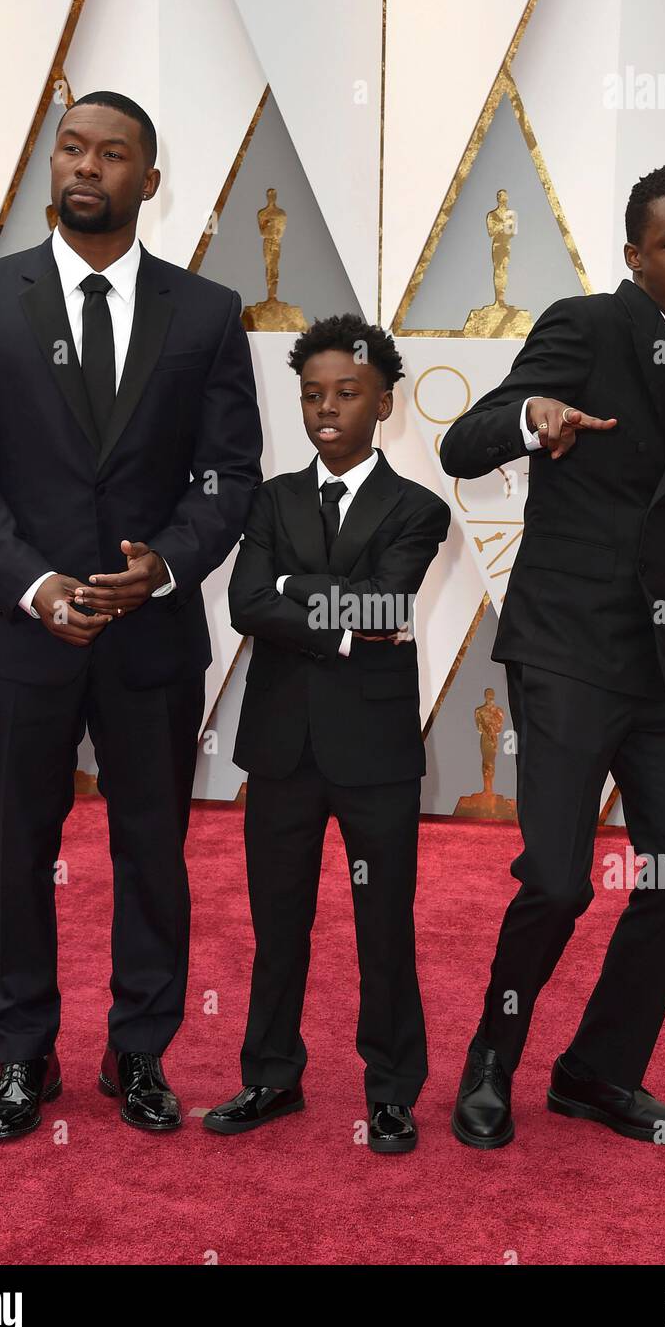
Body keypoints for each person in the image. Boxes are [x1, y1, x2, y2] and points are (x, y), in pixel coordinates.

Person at [0, 91, 262, 1140]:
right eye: (72, 147)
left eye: (114, 154)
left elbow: (230, 473)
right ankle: (22, 1058)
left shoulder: (205, 312)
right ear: (51, 165)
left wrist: (164, 567)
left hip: (152, 635)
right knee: (16, 847)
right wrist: (33, 584)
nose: (88, 166)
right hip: (22, 634)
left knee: (152, 847)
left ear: (147, 181)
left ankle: (140, 1052)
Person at [440, 166, 665, 1149]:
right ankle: (490, 1061)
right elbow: (462, 442)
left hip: (653, 663)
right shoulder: (584, 324)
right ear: (635, 257)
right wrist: (529, 421)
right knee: (559, 879)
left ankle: (594, 1074)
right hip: (568, 650)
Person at [203, 315, 451, 1153]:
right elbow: (244, 604)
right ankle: (270, 1077)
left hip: (374, 757)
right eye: (312, 395)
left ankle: (391, 1089)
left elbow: (389, 602)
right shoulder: (269, 496)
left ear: (384, 401)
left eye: (347, 394)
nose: (325, 410)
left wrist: (292, 591)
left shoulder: (420, 508)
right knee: (278, 924)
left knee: (386, 924)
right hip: (280, 750)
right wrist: (344, 619)